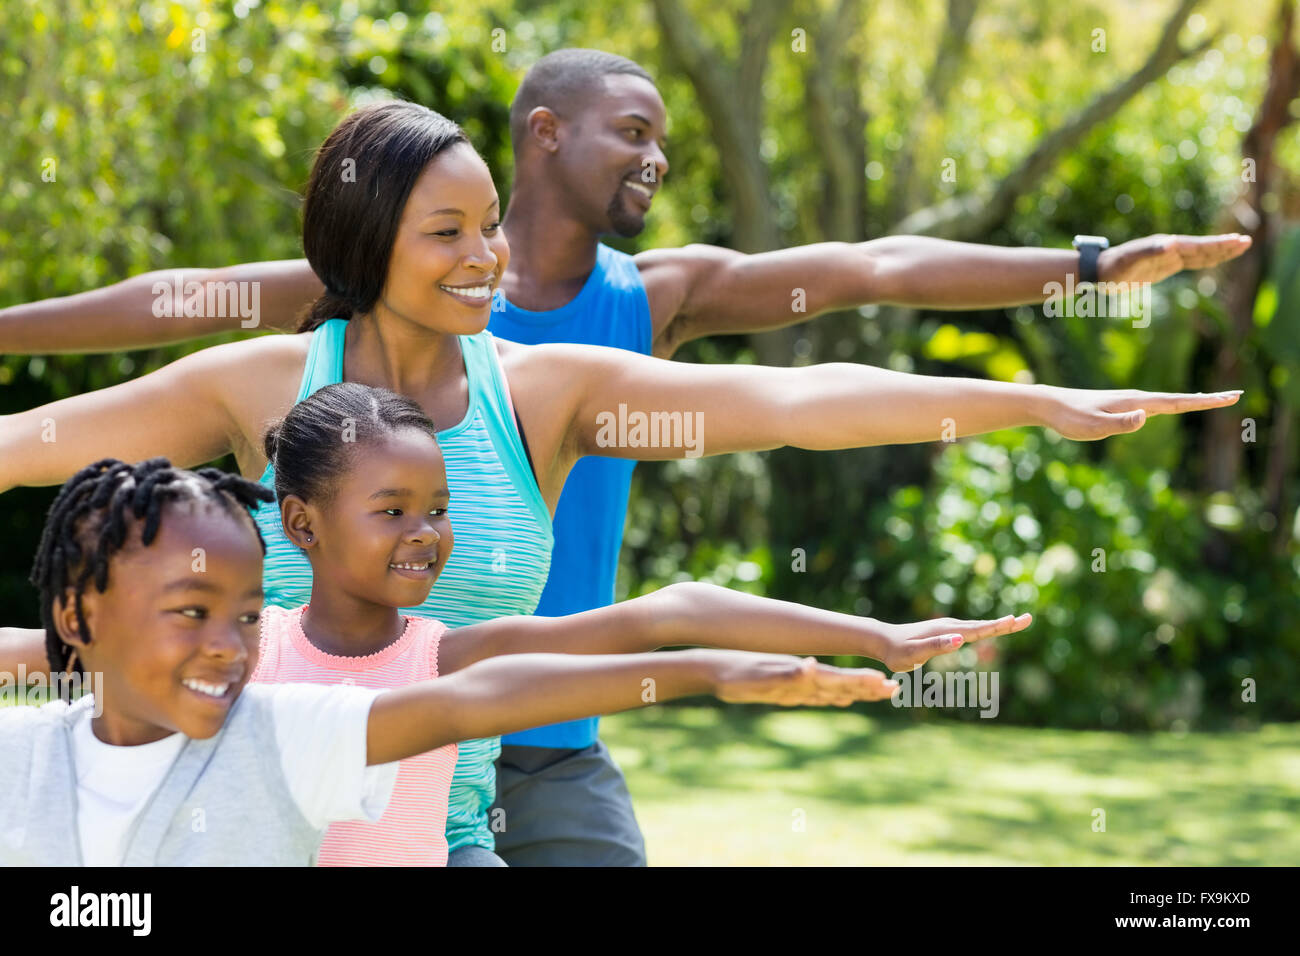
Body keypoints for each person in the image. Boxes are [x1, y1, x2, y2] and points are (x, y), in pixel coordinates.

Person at [0, 98, 1242, 865]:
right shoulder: (261, 383)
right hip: (233, 824)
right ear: (370, 240)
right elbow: (30, 442)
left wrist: (1034, 402)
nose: (487, 256)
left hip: (445, 833)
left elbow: (797, 406)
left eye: (491, 223)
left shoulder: (546, 393)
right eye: (447, 232)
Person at [0, 381, 1033, 865]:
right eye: (393, 511)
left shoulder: (443, 652)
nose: (427, 534)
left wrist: (870, 635)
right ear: (302, 522)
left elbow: (659, 616)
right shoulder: (235, 652)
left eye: (438, 508)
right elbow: (48, 657)